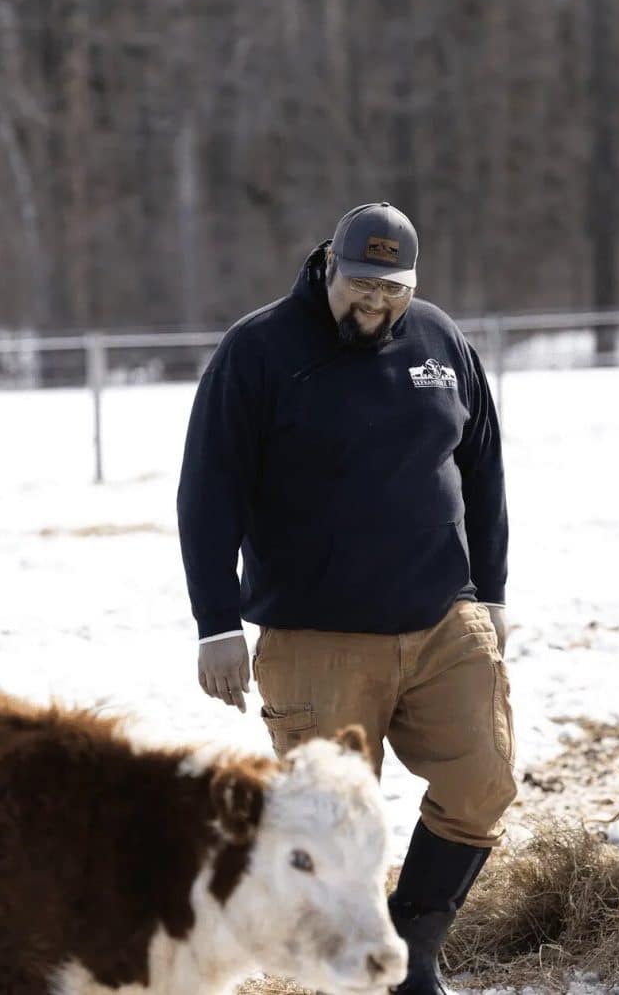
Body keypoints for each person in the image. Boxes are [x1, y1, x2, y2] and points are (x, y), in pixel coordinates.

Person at [177, 202, 515, 995]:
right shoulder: (258, 350)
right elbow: (207, 491)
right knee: (332, 823)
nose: (375, 304)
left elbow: (485, 469)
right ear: (330, 263)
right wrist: (214, 622)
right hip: (315, 632)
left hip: (443, 618)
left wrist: (492, 593)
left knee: (484, 782)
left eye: (391, 289)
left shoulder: (440, 340)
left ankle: (414, 951)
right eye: (361, 284)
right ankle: (355, 968)